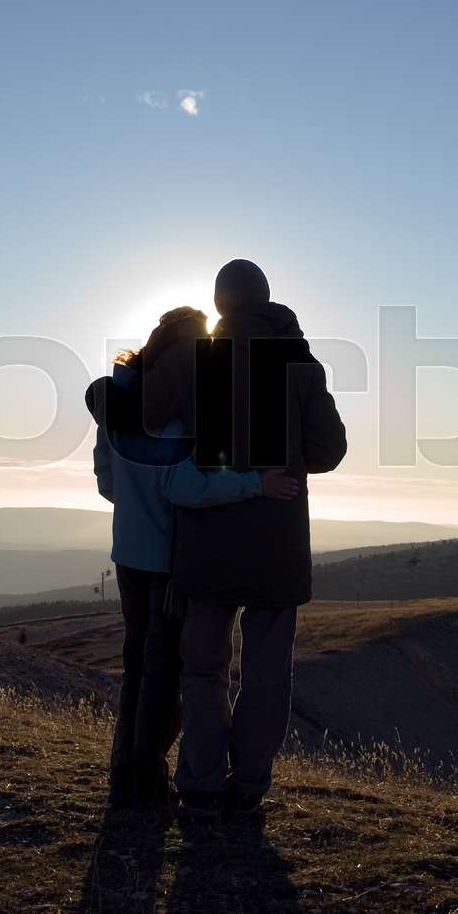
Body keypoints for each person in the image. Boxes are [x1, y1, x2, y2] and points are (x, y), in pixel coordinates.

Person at [85, 305, 299, 813]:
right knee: (162, 668)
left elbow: (107, 481)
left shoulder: (117, 406)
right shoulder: (178, 414)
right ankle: (146, 776)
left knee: (136, 663)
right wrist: (255, 483)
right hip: (165, 560)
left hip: (126, 553)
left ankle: (124, 770)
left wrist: (136, 507)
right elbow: (185, 487)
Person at [171, 260, 347, 821]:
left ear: (220, 303)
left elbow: (186, 452)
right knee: (267, 674)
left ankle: (199, 783)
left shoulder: (203, 362)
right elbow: (327, 453)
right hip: (277, 546)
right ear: (267, 299)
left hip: (208, 544)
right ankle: (248, 785)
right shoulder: (297, 364)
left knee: (203, 670)